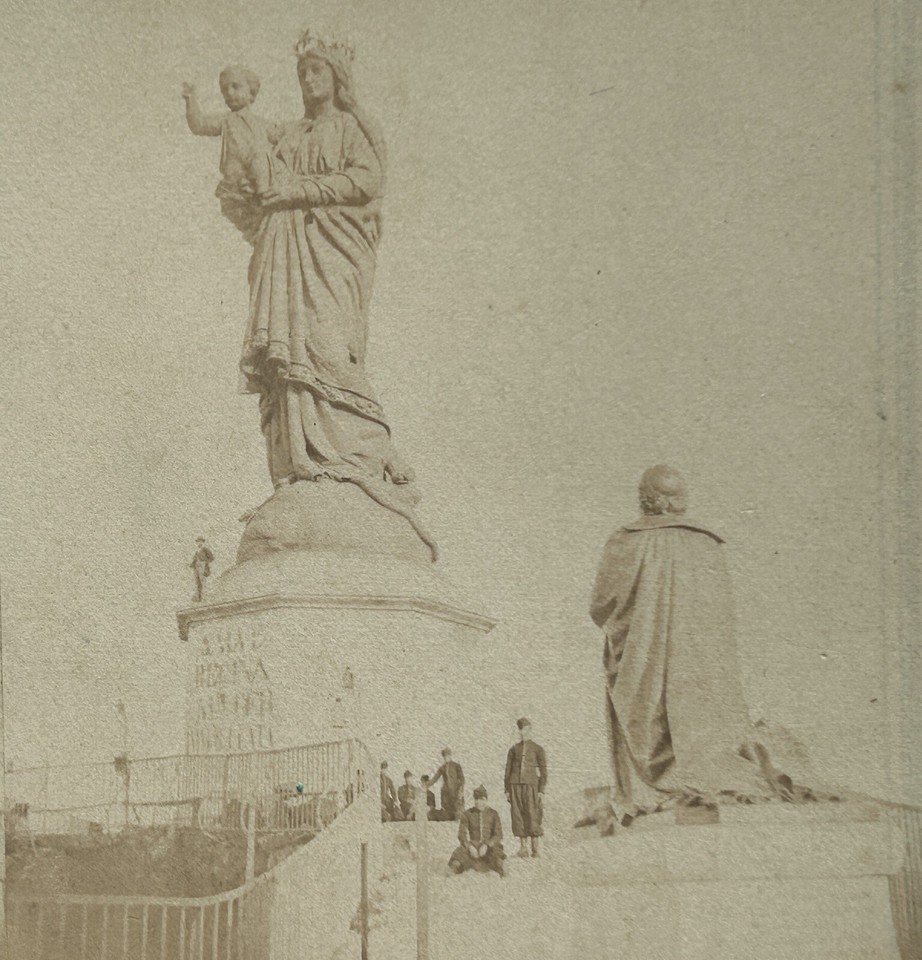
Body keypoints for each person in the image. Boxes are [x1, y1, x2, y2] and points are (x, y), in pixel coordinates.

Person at [228, 28, 436, 558]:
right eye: (301, 73)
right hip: (284, 251)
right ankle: (302, 462)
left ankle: (366, 454)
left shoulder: (349, 127)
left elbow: (365, 181)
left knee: (328, 344)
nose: (308, 79)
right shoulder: (289, 134)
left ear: (337, 77)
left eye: (316, 70)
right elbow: (249, 154)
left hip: (334, 251)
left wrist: (298, 190)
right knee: (289, 357)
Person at [590, 465, 832, 828]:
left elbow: (602, 605)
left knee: (648, 719)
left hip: (644, 669)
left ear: (645, 498)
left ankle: (663, 780)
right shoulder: (708, 544)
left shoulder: (626, 541)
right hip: (702, 672)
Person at [181, 65, 282, 241]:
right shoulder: (226, 121)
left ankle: (266, 197)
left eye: (235, 87)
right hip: (237, 180)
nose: (230, 93)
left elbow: (282, 138)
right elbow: (199, 125)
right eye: (224, 90)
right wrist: (190, 100)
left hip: (259, 180)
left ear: (251, 92)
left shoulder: (263, 124)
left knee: (260, 156)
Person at [504, 718, 547, 857]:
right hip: (515, 786)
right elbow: (508, 770)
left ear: (530, 730)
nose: (523, 732)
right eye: (521, 730)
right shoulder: (513, 749)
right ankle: (523, 848)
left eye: (526, 729)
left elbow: (543, 771)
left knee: (532, 814)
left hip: (531, 786)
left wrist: (541, 790)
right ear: (519, 731)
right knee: (518, 815)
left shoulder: (538, 749)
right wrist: (507, 790)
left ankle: (535, 849)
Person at [448, 786, 505, 877]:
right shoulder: (468, 814)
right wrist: (470, 846)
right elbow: (462, 834)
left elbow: (498, 835)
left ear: (486, 800)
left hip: (489, 846)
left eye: (482, 799)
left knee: (497, 856)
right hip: (473, 846)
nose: (479, 802)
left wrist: (487, 844)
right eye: (476, 799)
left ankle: (497, 872)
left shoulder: (493, 814)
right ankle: (455, 871)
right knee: (458, 858)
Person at [429, 748, 465, 820]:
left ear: (450, 756)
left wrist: (461, 791)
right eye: (444, 756)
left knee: (458, 815)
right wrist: (426, 784)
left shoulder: (456, 766)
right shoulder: (442, 768)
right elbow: (435, 778)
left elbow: (462, 779)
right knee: (446, 815)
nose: (446, 758)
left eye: (447, 756)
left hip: (456, 792)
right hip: (446, 794)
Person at [189, 537, 214, 602]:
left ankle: (204, 598)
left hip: (202, 567)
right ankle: (199, 598)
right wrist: (191, 565)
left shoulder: (205, 549)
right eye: (197, 542)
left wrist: (205, 563)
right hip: (196, 567)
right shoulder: (197, 551)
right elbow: (194, 560)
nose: (198, 543)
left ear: (203, 542)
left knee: (203, 582)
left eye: (200, 541)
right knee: (197, 582)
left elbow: (211, 558)